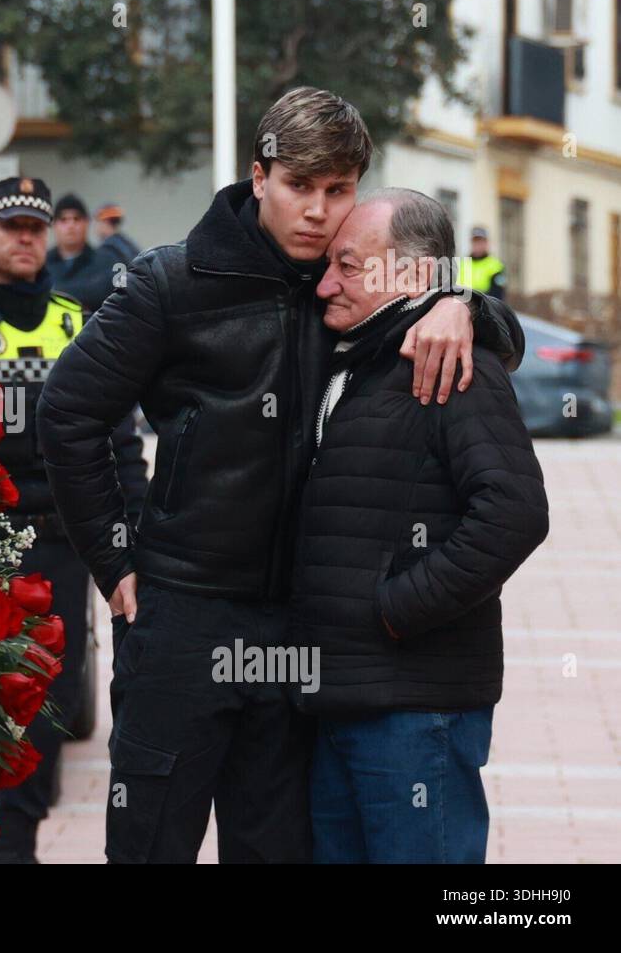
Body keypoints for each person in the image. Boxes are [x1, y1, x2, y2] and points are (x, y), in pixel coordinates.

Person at [35, 87, 525, 864]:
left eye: (339, 191)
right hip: (183, 617)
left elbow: (419, 304)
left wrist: (467, 305)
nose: (319, 212)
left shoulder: (338, 289)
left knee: (275, 850)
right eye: (300, 186)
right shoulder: (172, 283)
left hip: (299, 635)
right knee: (150, 841)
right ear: (259, 176)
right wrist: (114, 556)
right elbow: (66, 412)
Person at [289, 189, 548, 862]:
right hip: (342, 698)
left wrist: (397, 611)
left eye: (348, 265)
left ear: (409, 275)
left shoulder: (454, 367)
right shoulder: (358, 358)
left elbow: (514, 513)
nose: (326, 284)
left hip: (415, 709)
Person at [0, 176, 150, 863]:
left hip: (58, 549)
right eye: (10, 226)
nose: (24, 238)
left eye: (35, 228)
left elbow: (121, 443)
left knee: (42, 699)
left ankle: (14, 845)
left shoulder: (79, 323)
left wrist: (131, 542)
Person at [456, 226, 508, 302]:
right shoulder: (462, 264)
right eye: (475, 241)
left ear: (486, 242)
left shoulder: (496, 266)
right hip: (463, 306)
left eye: (480, 241)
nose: (478, 245)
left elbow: (498, 295)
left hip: (486, 308)